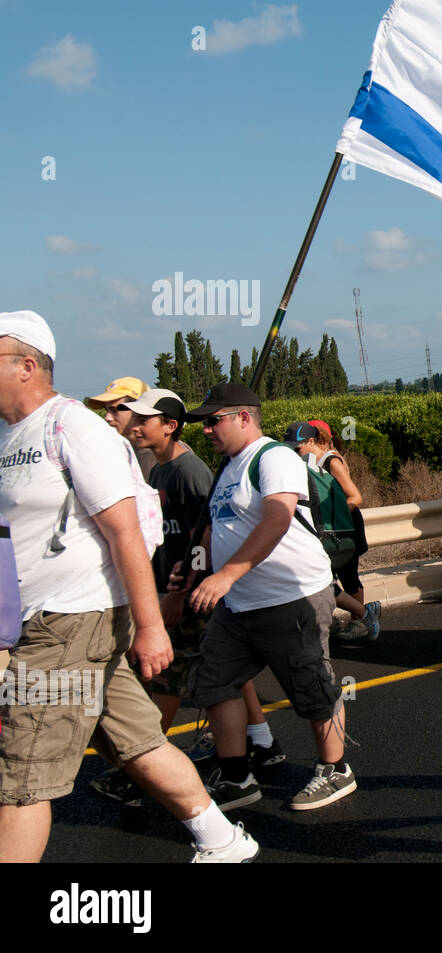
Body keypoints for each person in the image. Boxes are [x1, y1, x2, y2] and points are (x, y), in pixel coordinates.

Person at [0, 311, 257, 862]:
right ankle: (223, 841)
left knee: (21, 774)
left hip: (66, 623)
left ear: (26, 366)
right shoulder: (9, 434)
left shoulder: (70, 428)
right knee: (137, 743)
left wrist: (150, 626)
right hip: (45, 622)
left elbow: (125, 534)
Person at [90, 389, 284, 810]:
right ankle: (262, 743)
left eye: (145, 419)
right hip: (176, 588)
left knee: (166, 680)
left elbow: (207, 533)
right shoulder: (157, 471)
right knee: (217, 673)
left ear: (170, 426)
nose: (134, 425)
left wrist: (183, 589)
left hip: (193, 596)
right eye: (133, 417)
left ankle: (138, 772)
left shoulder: (188, 471)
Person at [180, 382, 357, 812]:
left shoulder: (273, 457)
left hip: (289, 596)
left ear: (244, 418)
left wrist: (224, 576)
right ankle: (238, 777)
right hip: (239, 603)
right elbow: (214, 529)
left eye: (213, 420)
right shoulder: (226, 468)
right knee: (216, 681)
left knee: (312, 687)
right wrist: (198, 571)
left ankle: (335, 771)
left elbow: (277, 519)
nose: (206, 429)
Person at [284, 421, 381, 642]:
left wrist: (330, 516)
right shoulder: (308, 462)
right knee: (328, 576)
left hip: (343, 525)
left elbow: (355, 497)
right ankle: (354, 617)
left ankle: (361, 620)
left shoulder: (331, 461)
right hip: (327, 526)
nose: (294, 452)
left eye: (297, 447)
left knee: (348, 576)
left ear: (312, 441)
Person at [86, 375, 158, 479]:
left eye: (114, 410)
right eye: (107, 410)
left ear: (137, 409)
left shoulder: (150, 454)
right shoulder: (128, 449)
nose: (108, 417)